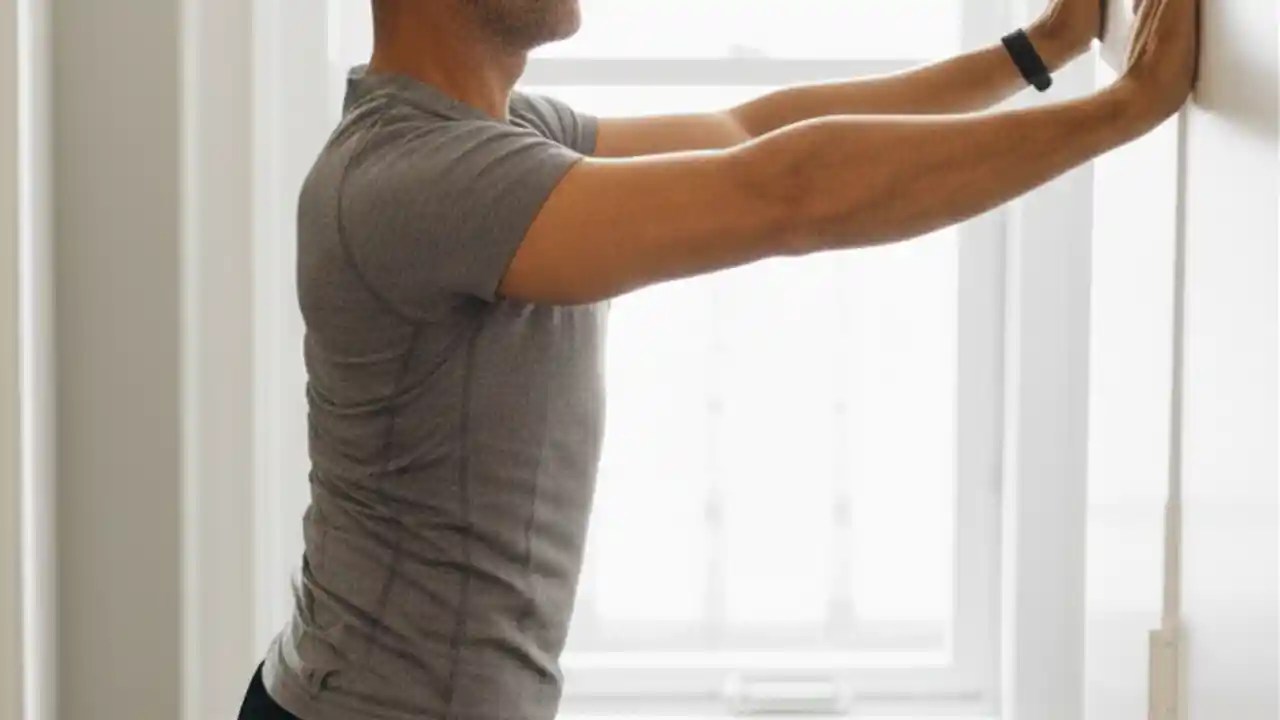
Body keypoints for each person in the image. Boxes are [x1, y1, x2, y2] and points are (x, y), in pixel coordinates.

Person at [238, 0, 1198, 717]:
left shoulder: (496, 135)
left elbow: (753, 133)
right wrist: (1122, 112)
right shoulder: (410, 179)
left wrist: (1045, 49)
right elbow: (788, 195)